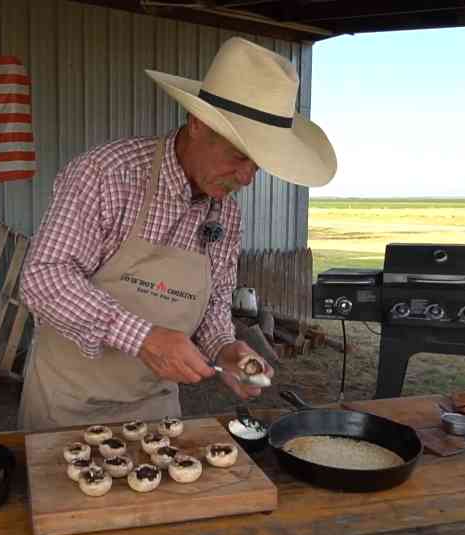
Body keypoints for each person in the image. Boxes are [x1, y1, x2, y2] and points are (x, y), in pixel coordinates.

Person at [17, 37, 337, 431]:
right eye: (239, 157)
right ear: (198, 123)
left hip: (155, 407)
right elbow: (43, 277)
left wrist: (225, 346)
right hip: (68, 403)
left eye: (258, 166)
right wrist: (143, 337)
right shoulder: (107, 175)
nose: (246, 178)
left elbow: (215, 299)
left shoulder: (227, 213)